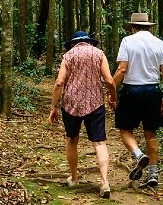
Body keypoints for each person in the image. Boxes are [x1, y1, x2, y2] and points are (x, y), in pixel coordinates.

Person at [48, 31, 117, 198]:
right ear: (89, 41)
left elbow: (59, 82)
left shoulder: (68, 56)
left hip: (71, 104)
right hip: (95, 104)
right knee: (99, 143)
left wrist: (53, 107)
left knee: (72, 140)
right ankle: (105, 182)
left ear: (73, 43)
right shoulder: (99, 53)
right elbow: (109, 80)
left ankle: (74, 177)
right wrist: (113, 97)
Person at [112, 12, 163, 188]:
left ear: (133, 27)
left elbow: (122, 70)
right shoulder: (160, 44)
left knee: (125, 129)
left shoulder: (128, 41)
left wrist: (111, 91)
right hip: (153, 91)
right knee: (151, 132)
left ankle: (138, 154)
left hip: (131, 91)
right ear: (148, 27)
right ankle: (153, 173)